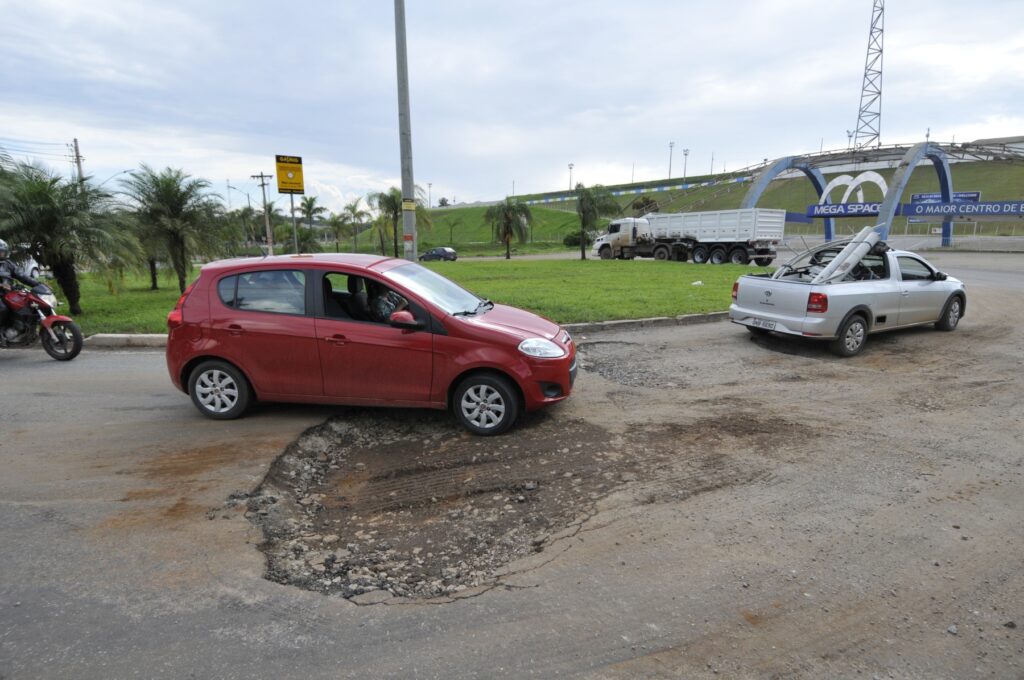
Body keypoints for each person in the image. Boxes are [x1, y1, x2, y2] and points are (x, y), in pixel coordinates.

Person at [0, 239, 42, 336]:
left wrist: (38, 284)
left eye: (3, 252)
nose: (2, 254)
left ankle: (22, 328)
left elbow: (22, 276)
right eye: (0, 252)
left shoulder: (8, 264)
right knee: (2, 308)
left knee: (26, 304)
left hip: (8, 293)